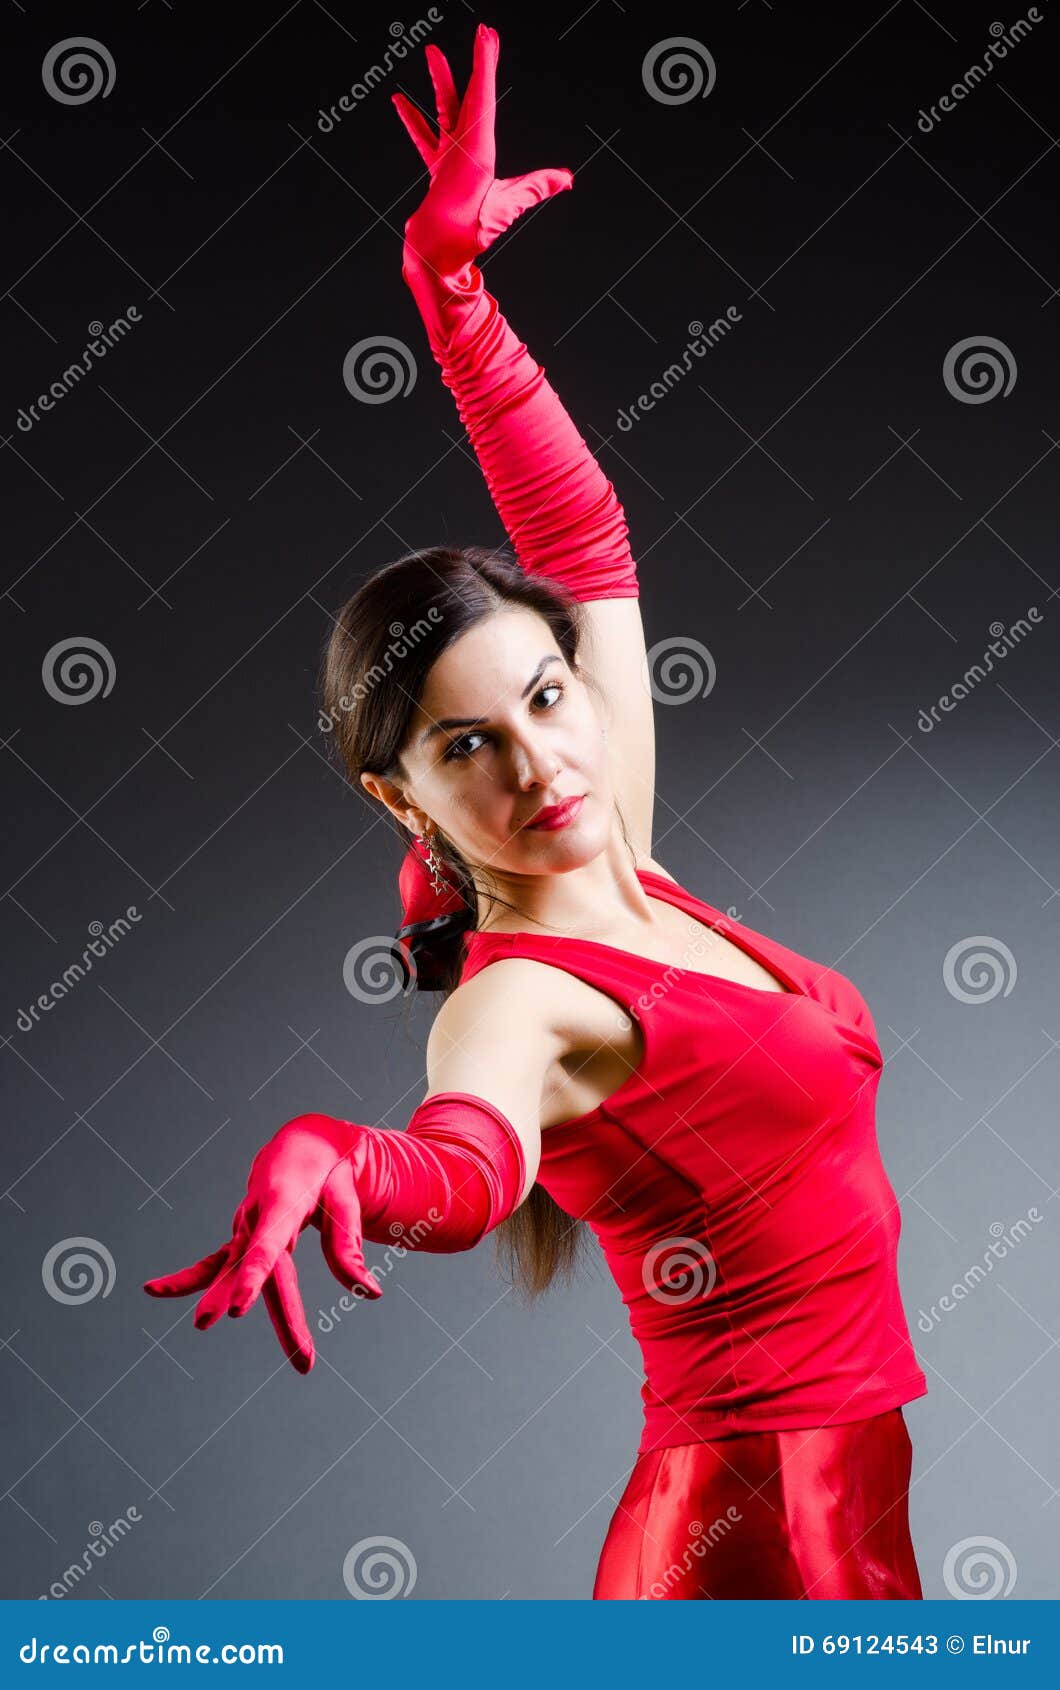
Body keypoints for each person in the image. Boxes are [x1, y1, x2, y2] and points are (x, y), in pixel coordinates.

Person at [144, 23, 928, 1600]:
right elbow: (463, 1162)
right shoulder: (520, 1004)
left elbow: (583, 530)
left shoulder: (617, 849)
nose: (539, 763)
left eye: (547, 698)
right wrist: (338, 1156)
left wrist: (452, 296)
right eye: (466, 747)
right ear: (402, 791)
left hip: (845, 1500)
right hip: (745, 1536)